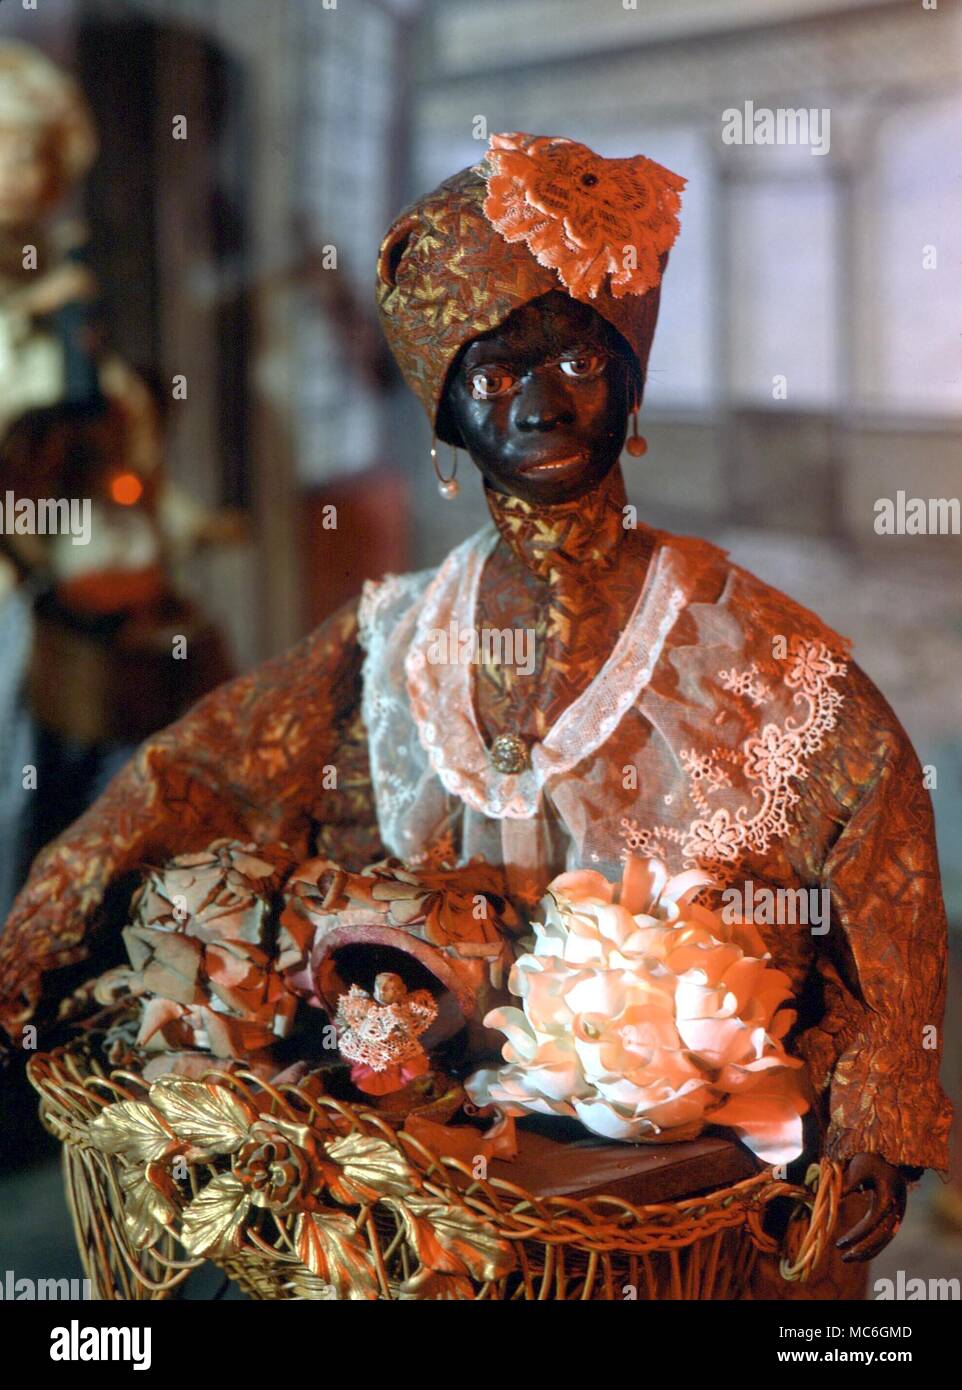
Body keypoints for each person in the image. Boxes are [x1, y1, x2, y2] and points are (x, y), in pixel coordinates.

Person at [0, 132, 950, 1299]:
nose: (539, 402)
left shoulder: (745, 653)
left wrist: (875, 1106)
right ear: (445, 411)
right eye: (493, 375)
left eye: (576, 366)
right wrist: (44, 928)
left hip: (677, 1221)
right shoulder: (392, 637)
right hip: (419, 1205)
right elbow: (196, 775)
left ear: (627, 382)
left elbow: (880, 856)